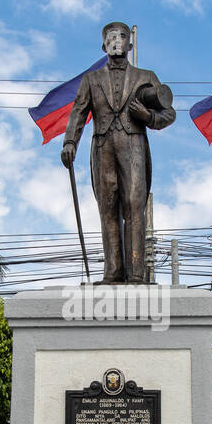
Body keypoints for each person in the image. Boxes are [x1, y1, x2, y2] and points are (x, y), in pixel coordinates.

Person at [61, 21, 175, 284]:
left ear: (130, 45)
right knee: (108, 208)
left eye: (121, 37)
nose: (116, 42)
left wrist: (146, 115)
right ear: (104, 46)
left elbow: (168, 113)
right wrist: (70, 142)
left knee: (135, 206)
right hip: (102, 148)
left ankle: (136, 274)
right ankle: (112, 272)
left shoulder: (146, 76)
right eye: (111, 38)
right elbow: (78, 111)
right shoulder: (91, 79)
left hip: (133, 146)